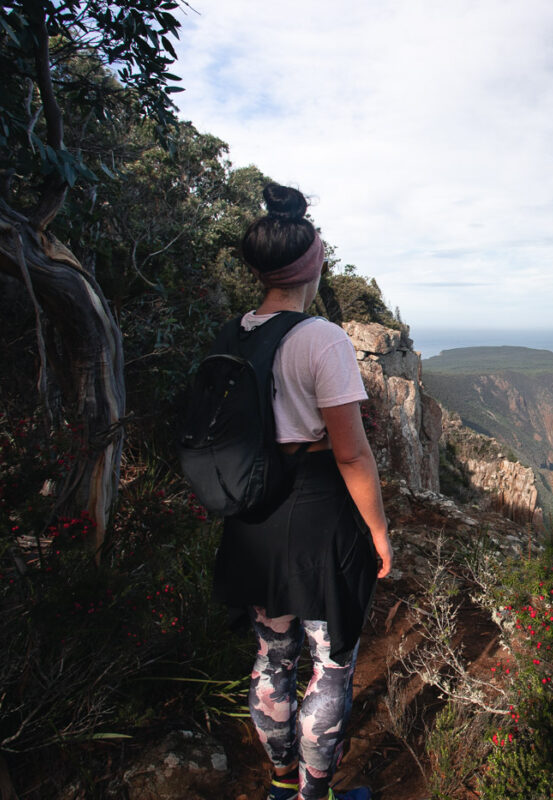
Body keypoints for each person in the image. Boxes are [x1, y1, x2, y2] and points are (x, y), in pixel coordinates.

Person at [212, 184, 392, 800]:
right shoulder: (322, 338)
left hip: (251, 514)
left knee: (272, 657)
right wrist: (378, 531)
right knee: (331, 665)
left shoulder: (231, 333)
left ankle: (280, 784)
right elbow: (351, 451)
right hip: (317, 516)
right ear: (313, 264)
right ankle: (316, 795)